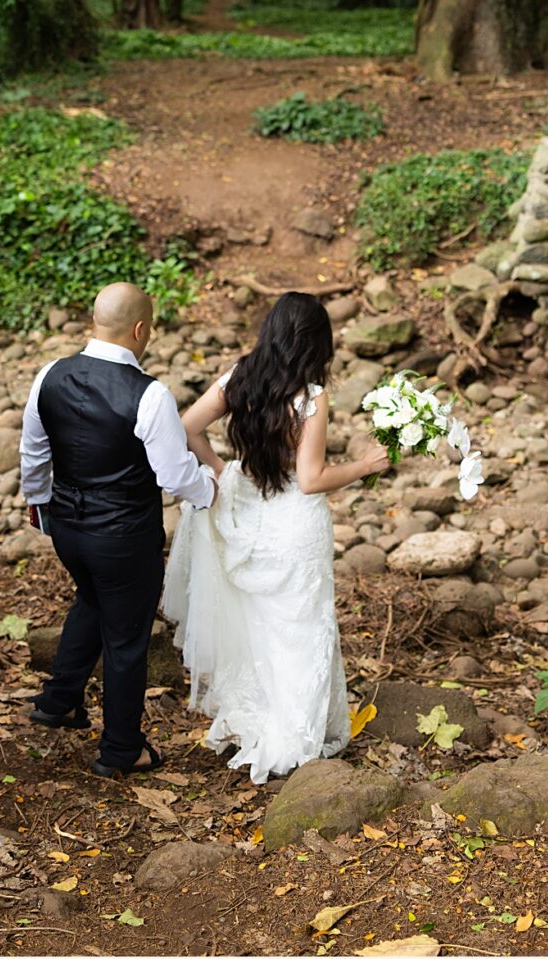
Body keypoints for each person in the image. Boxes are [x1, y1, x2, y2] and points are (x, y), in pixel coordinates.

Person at [160, 291, 394, 784]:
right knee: (302, 622)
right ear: (315, 343)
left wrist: (224, 471)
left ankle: (258, 718)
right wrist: (366, 465)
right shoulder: (310, 397)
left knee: (258, 622)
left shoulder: (238, 377)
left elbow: (186, 427)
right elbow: (310, 479)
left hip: (248, 507)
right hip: (295, 522)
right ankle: (296, 732)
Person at [19, 282, 215, 777]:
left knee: (91, 599)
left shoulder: (49, 375)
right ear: (140, 329)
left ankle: (59, 700)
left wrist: (40, 505)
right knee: (126, 640)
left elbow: (33, 453)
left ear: (94, 321)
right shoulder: (149, 395)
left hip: (68, 528)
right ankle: (122, 748)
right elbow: (175, 476)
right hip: (124, 538)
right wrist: (210, 489)